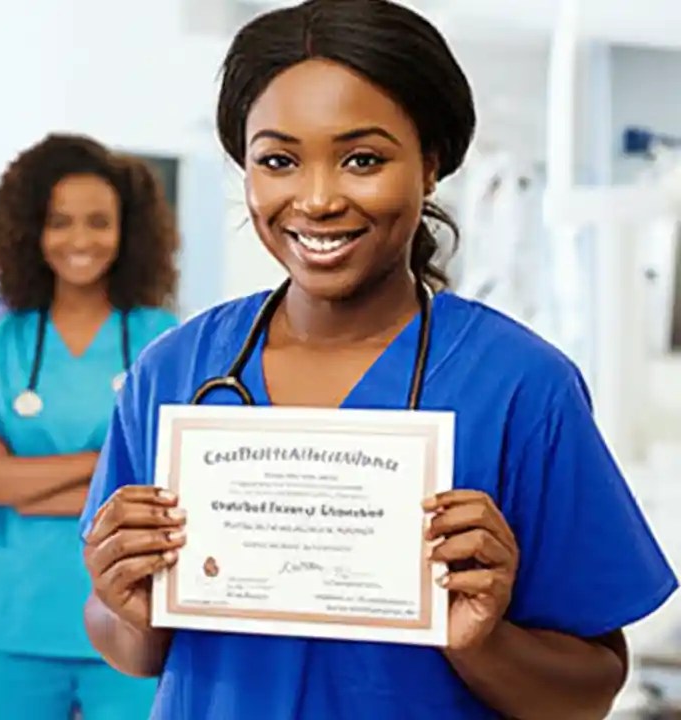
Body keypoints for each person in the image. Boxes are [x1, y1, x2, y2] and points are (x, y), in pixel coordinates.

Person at [78, 1, 679, 718]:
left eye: (362, 159)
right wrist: (127, 604)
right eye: (278, 161)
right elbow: (131, 646)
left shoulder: (522, 386)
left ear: (429, 163)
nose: (319, 197)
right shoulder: (174, 371)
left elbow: (587, 692)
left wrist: (480, 640)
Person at [0, 133, 181, 719]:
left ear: (128, 233)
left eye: (99, 222)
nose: (79, 240)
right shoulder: (2, 344)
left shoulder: (161, 340)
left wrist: (23, 481)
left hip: (131, 615)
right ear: (31, 231)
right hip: (12, 615)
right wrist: (107, 470)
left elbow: (172, 487)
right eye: (60, 221)